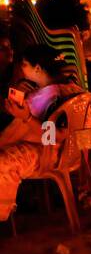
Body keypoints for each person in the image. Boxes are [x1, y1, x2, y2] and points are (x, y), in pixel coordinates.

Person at [0, 44, 85, 221]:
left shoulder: (52, 97)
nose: (21, 69)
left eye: (24, 64)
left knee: (4, 161)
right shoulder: (72, 88)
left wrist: (26, 118)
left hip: (54, 154)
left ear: (37, 68)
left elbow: (53, 137)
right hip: (67, 151)